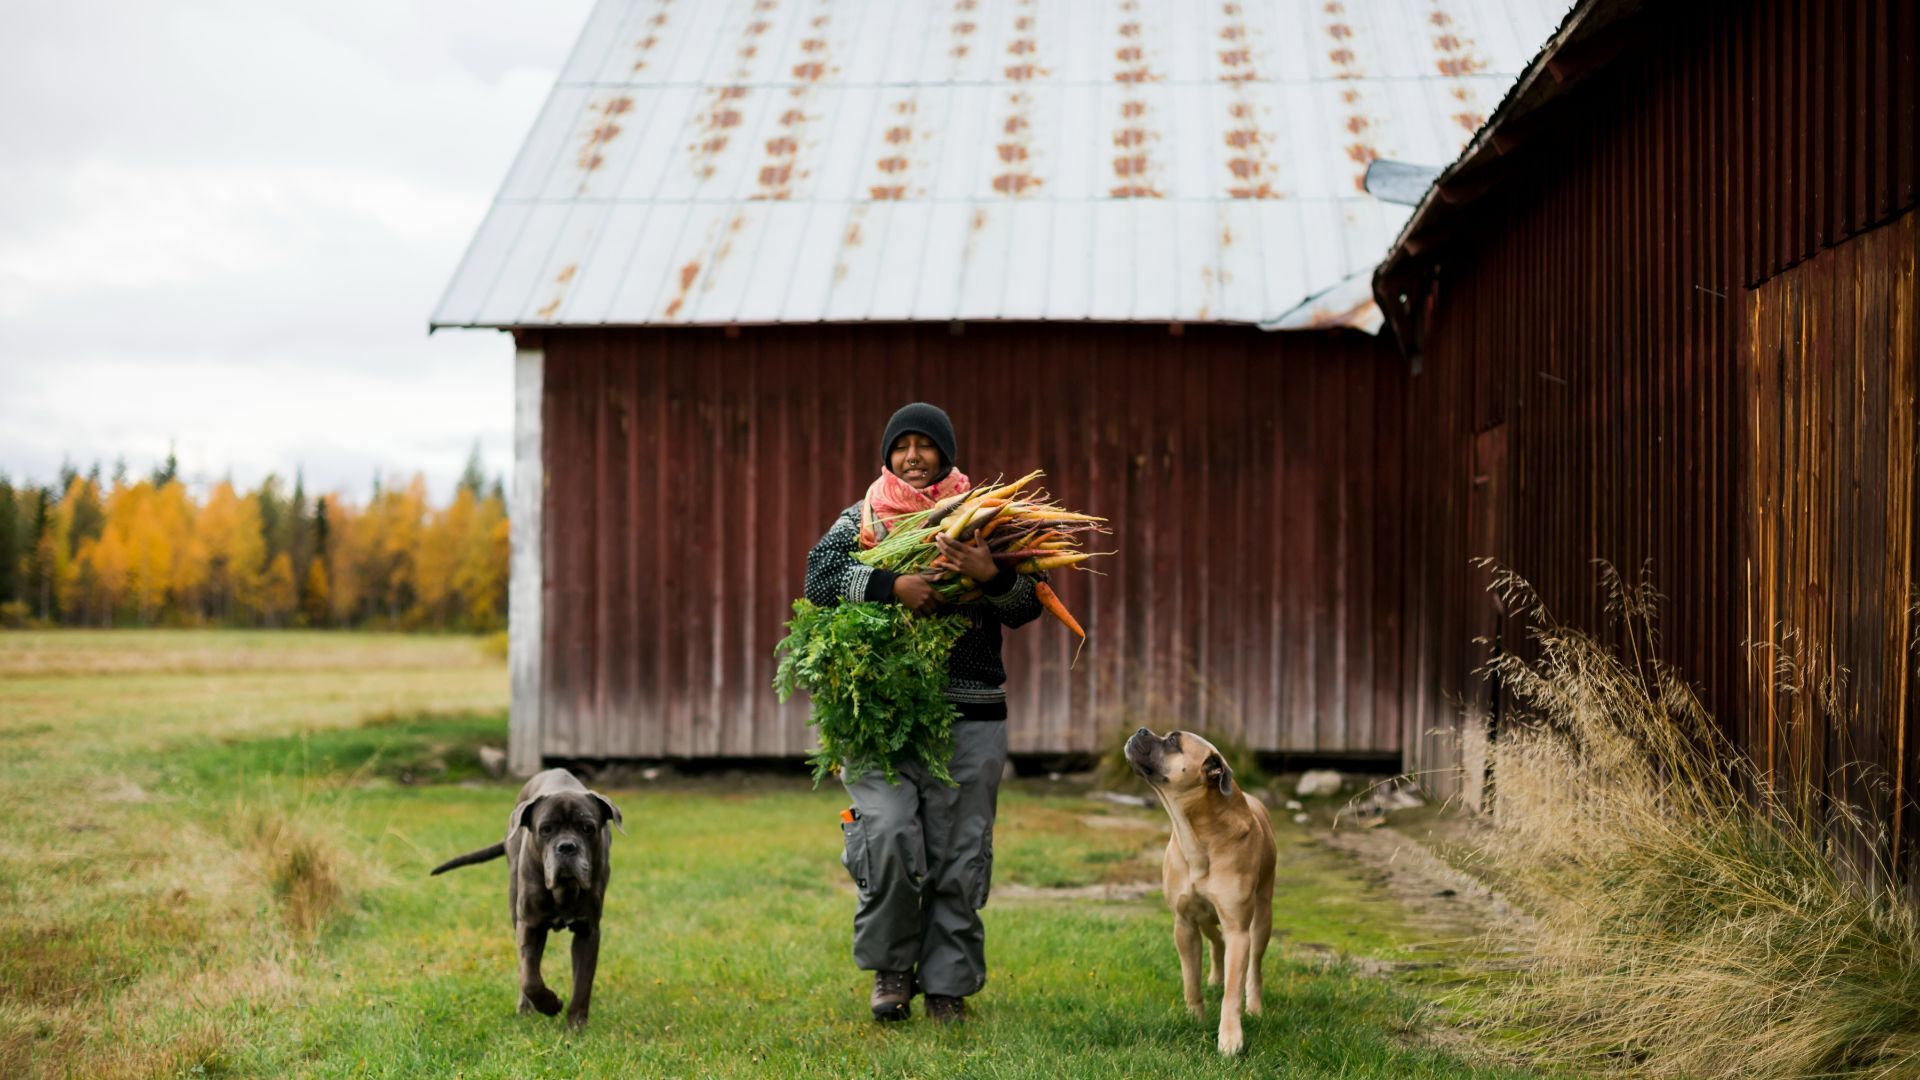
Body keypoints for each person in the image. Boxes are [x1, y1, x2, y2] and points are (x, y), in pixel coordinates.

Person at [803, 401, 1044, 1024]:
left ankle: (947, 986)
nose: (914, 455)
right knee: (884, 835)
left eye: (926, 445)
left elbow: (1027, 606)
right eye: (902, 445)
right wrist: (892, 586)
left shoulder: (988, 522)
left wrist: (991, 575)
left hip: (972, 716)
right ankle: (891, 970)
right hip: (881, 717)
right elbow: (819, 579)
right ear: (888, 456)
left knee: (958, 854)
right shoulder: (862, 520)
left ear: (946, 454)